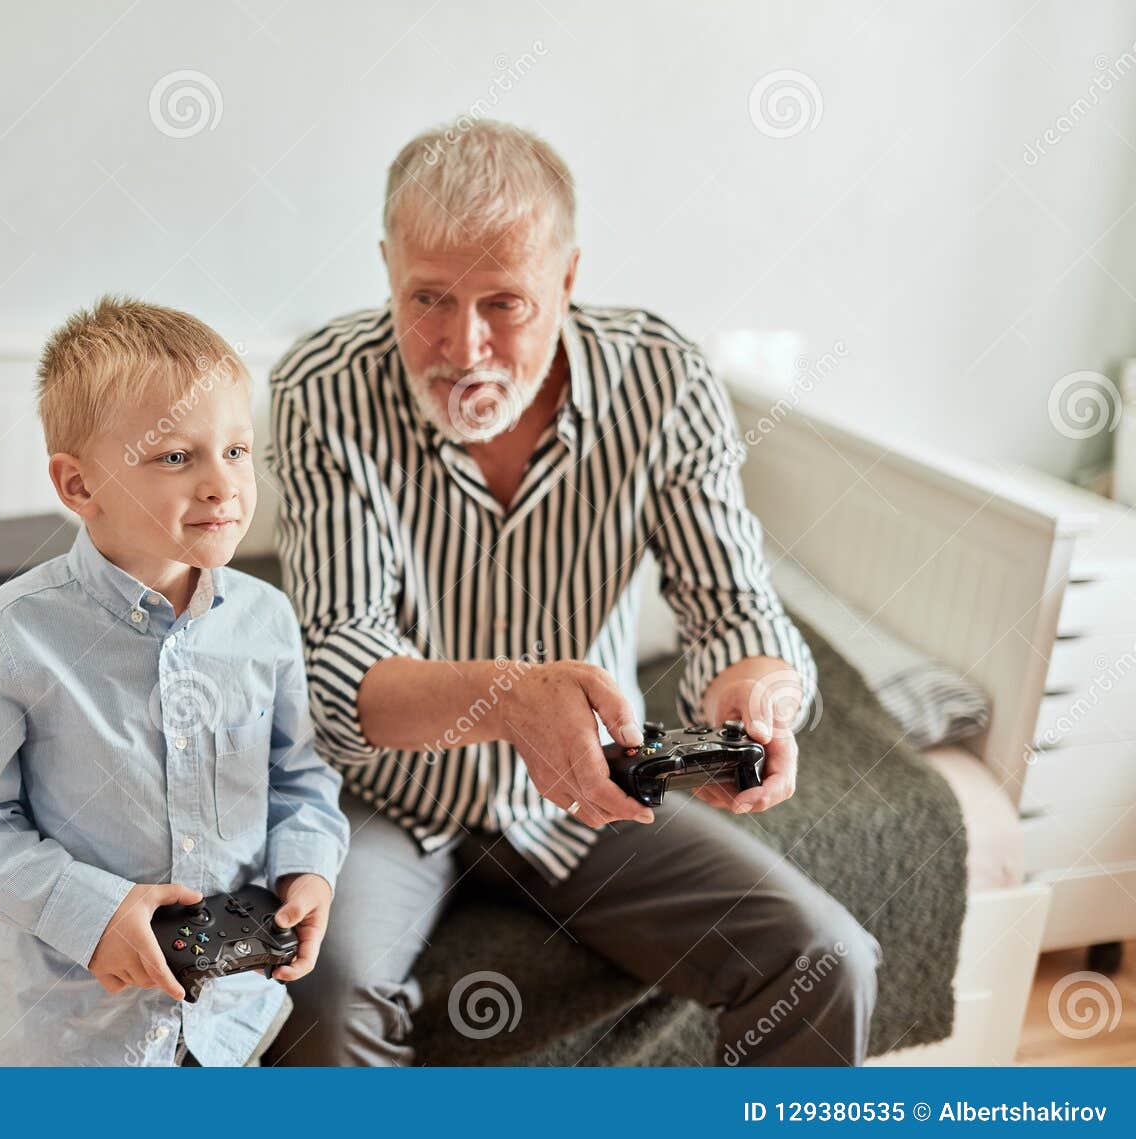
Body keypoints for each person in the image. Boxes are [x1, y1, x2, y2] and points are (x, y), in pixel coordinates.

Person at [264, 121, 880, 1067]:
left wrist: (754, 693)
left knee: (826, 957)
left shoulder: (663, 379)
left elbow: (732, 606)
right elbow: (341, 662)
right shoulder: (322, 387)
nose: (463, 346)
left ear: (568, 276)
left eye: (504, 301)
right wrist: (511, 699)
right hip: (381, 793)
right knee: (314, 993)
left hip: (585, 794)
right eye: (426, 296)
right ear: (385, 265)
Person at [0, 296, 348, 1065]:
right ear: (79, 487)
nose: (223, 485)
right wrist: (91, 911)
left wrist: (308, 866)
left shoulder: (267, 619)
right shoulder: (11, 632)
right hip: (73, 1034)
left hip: (232, 1021)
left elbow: (298, 775)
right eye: (177, 456)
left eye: (238, 450)